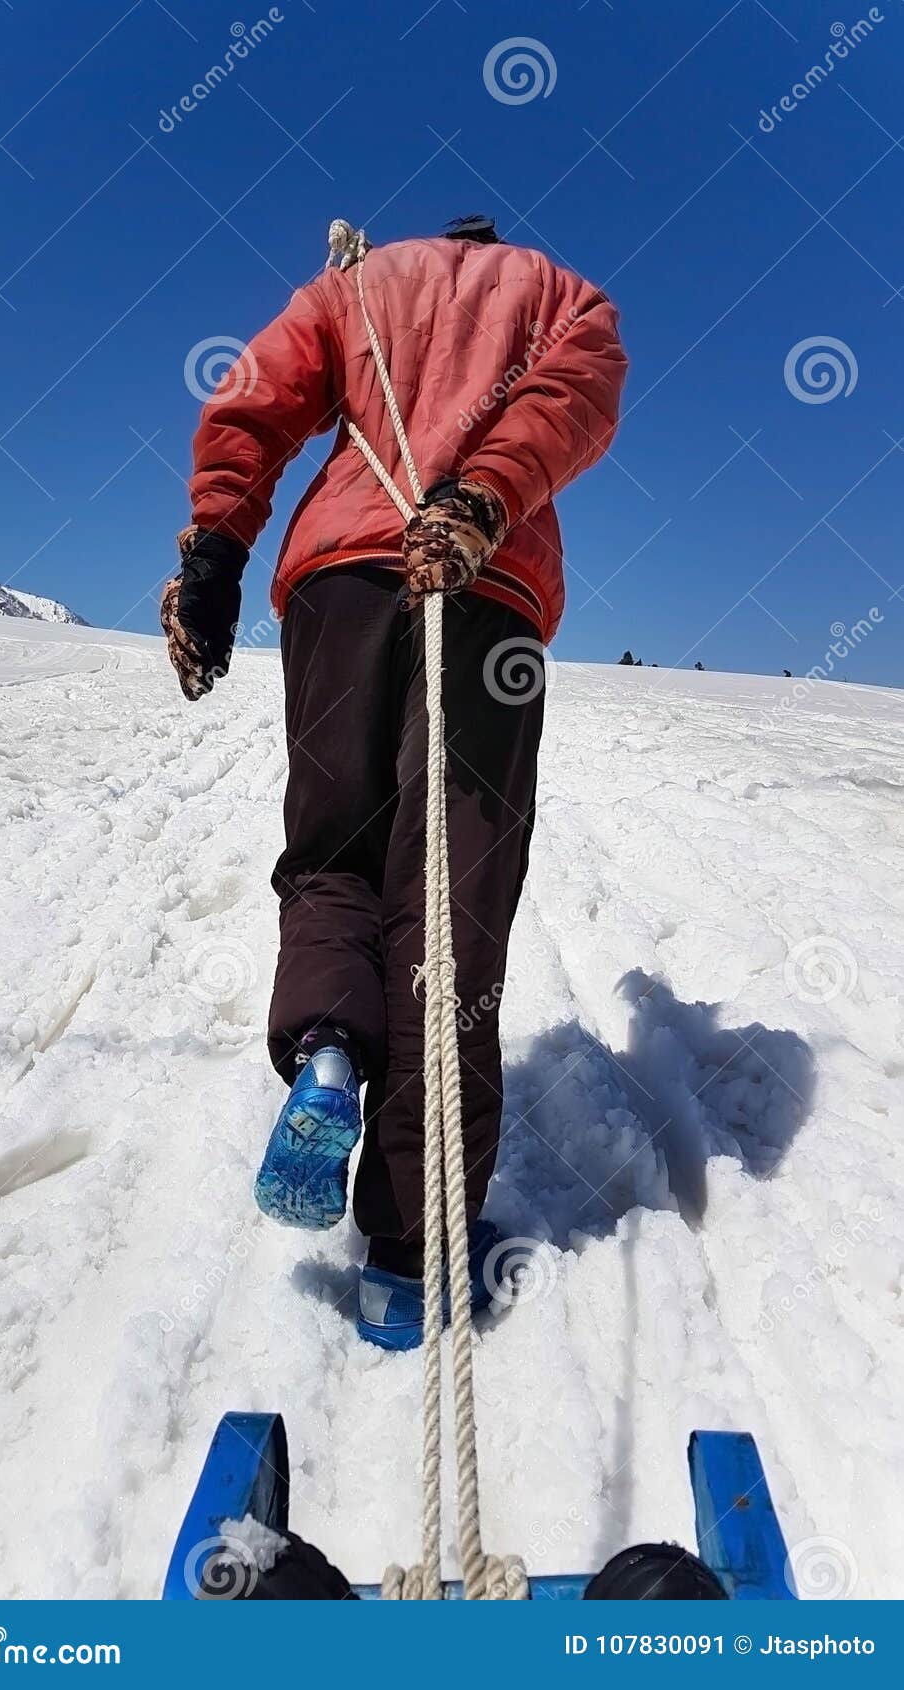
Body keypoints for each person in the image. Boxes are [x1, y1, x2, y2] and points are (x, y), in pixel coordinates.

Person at [162, 214, 626, 1348]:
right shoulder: (568, 294)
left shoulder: (359, 286)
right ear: (498, 246)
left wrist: (214, 555)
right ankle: (410, 1256)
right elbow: (576, 399)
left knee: (333, 855)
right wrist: (482, 497)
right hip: (487, 590)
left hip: (337, 588)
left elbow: (254, 400)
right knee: (449, 902)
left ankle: (325, 1055)